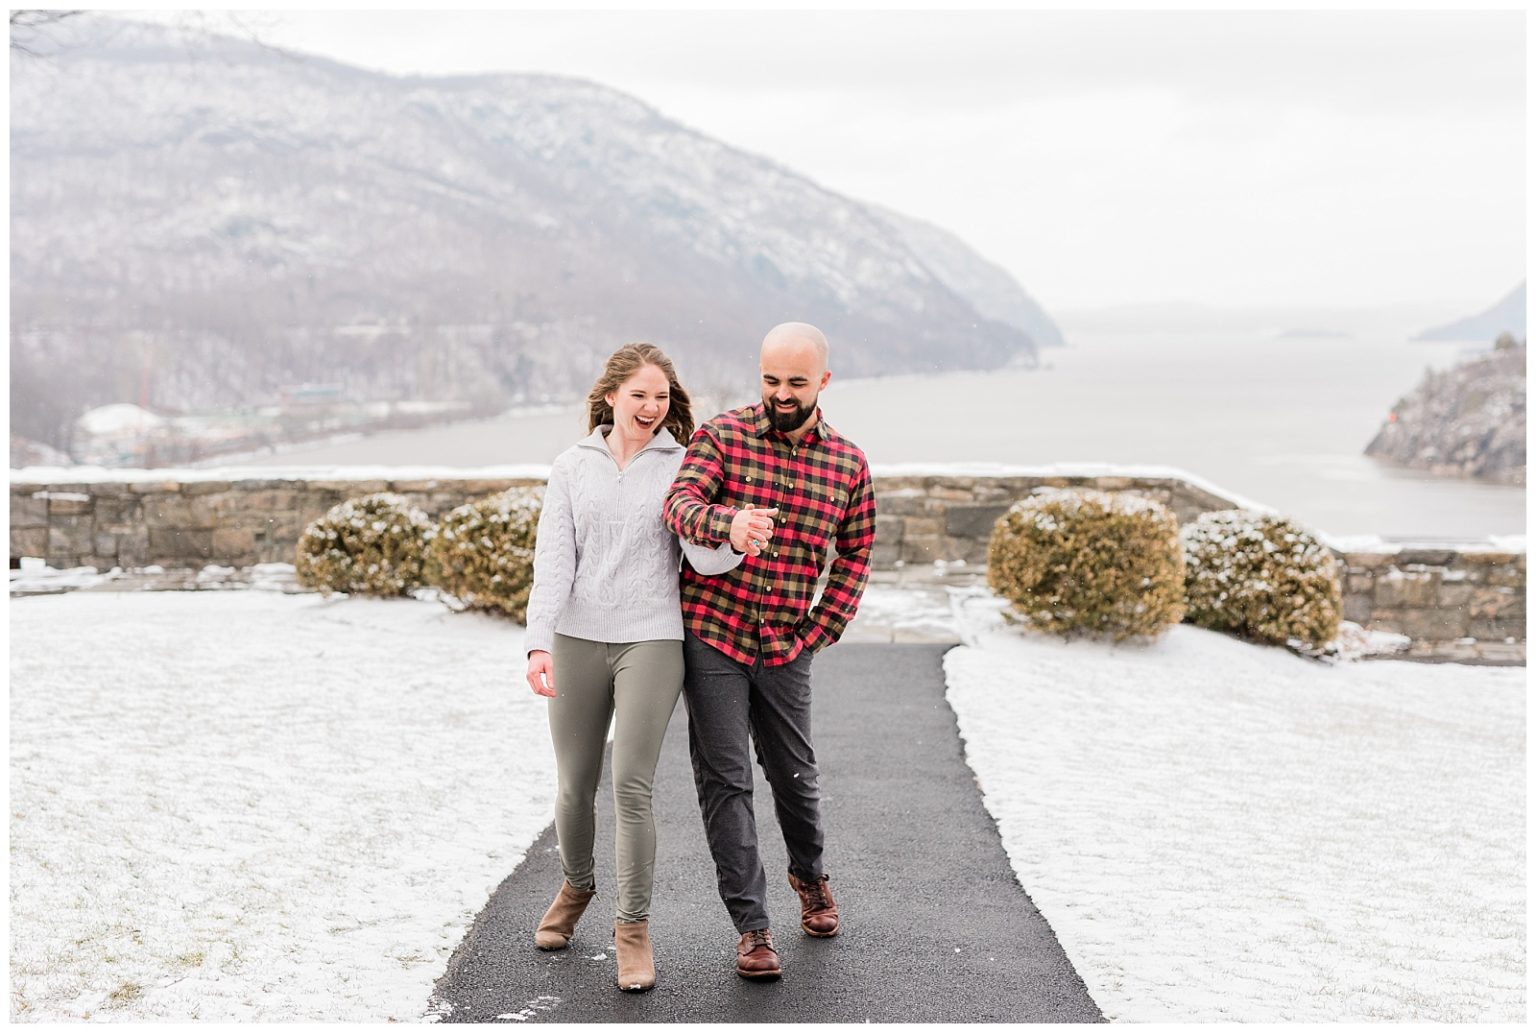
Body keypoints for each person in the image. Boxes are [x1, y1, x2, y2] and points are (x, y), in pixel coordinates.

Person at [523, 342, 742, 993]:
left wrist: (733, 538)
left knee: (632, 786)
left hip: (652, 640)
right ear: (611, 395)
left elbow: (702, 558)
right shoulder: (571, 466)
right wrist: (539, 643)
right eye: (640, 393)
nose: (651, 406)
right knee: (572, 785)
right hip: (576, 638)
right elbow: (554, 563)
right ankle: (578, 883)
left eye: (662, 396)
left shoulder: (686, 465)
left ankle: (633, 930)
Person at [663, 321, 877, 981]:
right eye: (770, 379)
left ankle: (810, 877)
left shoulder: (848, 464)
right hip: (715, 635)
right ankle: (752, 927)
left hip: (788, 643)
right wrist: (726, 521)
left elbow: (856, 555)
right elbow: (678, 504)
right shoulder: (722, 436)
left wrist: (818, 631)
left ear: (823, 382)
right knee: (726, 780)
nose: (781, 394)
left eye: (795, 382)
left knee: (796, 777)